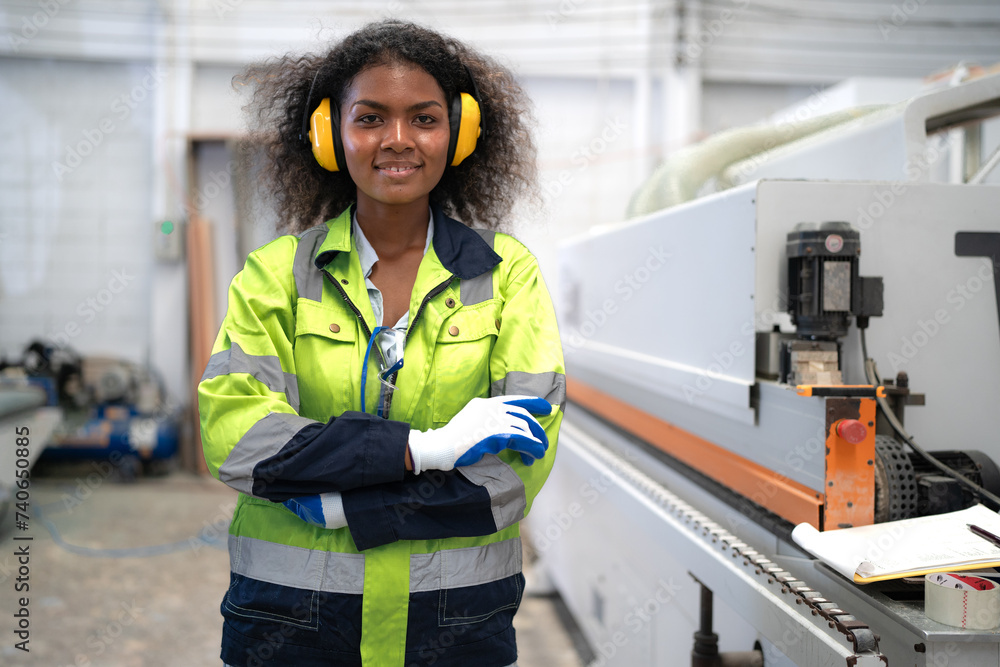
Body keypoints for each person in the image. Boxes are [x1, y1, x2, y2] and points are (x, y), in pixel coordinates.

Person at [197, 19, 565, 667]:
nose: (397, 140)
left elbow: (511, 476)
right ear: (328, 133)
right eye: (370, 118)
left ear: (460, 131)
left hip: (454, 622)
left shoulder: (507, 276)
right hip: (292, 618)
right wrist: (424, 449)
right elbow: (238, 438)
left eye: (423, 118)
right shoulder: (276, 275)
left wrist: (339, 506)